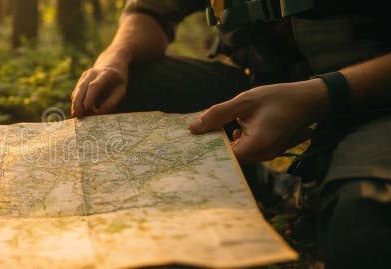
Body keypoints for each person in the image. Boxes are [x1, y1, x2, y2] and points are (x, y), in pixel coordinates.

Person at [71, 0, 390, 268]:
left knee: (364, 220)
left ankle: (328, 183)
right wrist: (117, 55)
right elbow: (150, 10)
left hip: (377, 102)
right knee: (118, 93)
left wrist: (324, 94)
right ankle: (260, 182)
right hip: (261, 87)